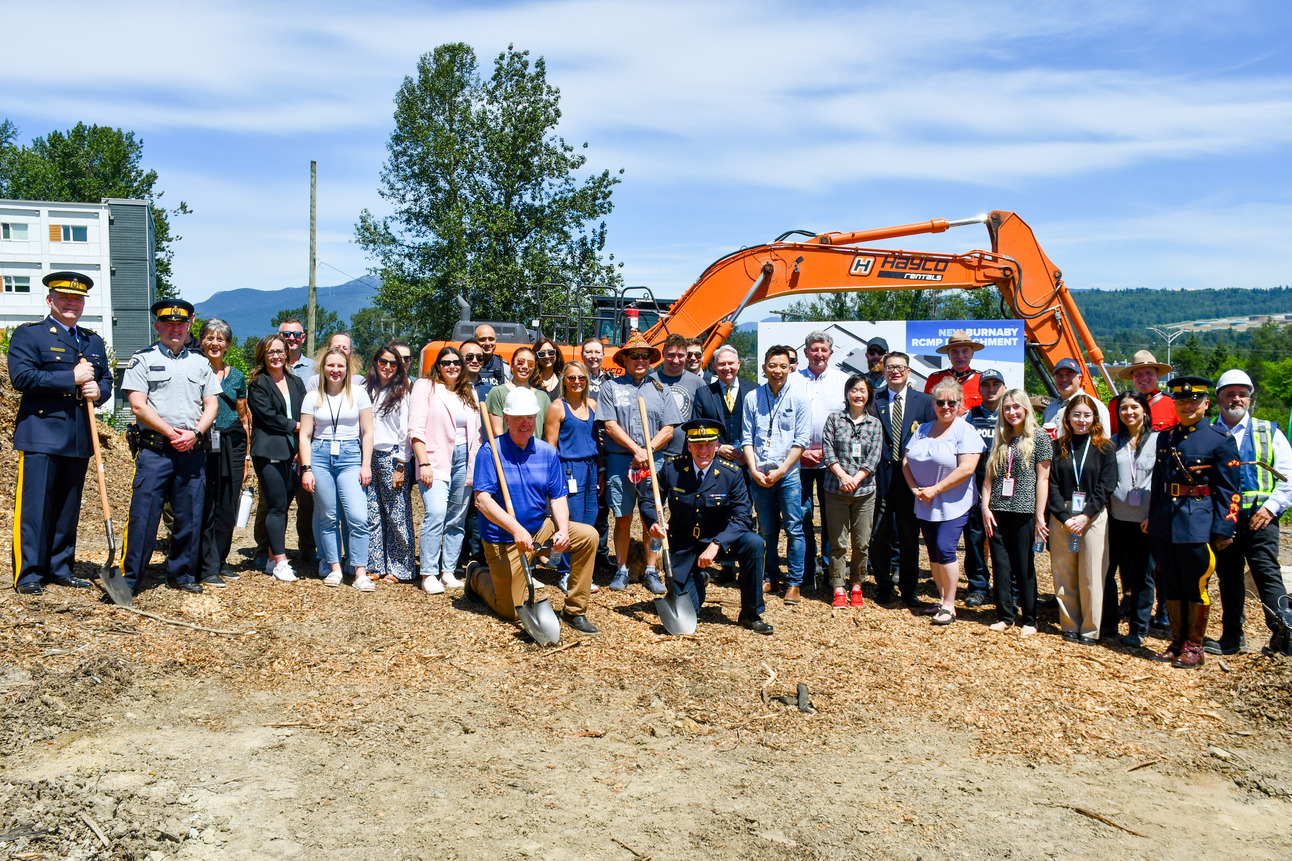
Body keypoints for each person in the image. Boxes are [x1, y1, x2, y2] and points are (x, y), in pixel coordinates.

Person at [9, 271, 113, 595]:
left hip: (80, 436)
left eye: (77, 299)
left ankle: (60, 567)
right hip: (42, 432)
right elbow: (22, 378)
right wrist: (72, 377)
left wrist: (100, 390)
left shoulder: (92, 341)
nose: (72, 303)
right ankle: (29, 573)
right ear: (49, 300)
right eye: (65, 297)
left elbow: (107, 380)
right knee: (35, 507)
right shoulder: (31, 336)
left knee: (68, 507)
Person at [468, 387, 599, 636]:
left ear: (536, 418)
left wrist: (561, 530)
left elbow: (558, 496)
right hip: (503, 538)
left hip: (539, 529)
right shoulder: (490, 451)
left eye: (530, 417)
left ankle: (574, 610)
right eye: (518, 418)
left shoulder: (546, 452)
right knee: (509, 611)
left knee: (588, 536)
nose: (525, 423)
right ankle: (477, 575)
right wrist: (515, 529)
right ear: (507, 419)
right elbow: (482, 500)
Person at [120, 300, 221, 595]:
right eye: (168, 324)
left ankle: (182, 574)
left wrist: (196, 433)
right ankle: (130, 579)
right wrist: (170, 432)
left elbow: (211, 403)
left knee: (190, 515)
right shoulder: (142, 360)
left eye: (180, 324)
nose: (174, 329)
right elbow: (138, 405)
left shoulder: (200, 363)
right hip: (155, 450)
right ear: (158, 327)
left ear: (188, 327)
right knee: (143, 515)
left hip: (191, 450)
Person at [640, 419, 772, 634]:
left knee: (754, 543)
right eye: (698, 445)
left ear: (717, 445)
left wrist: (717, 544)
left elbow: (743, 517)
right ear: (689, 446)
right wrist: (653, 523)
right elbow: (648, 500)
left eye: (708, 444)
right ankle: (699, 578)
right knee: (690, 611)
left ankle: (751, 614)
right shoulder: (673, 469)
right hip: (685, 546)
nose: (703, 450)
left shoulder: (731, 473)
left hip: (720, 541)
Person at [1146, 377, 1241, 668]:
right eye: (1182, 401)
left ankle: (1195, 646)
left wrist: (1225, 527)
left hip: (1199, 523)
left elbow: (1230, 490)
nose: (1187, 405)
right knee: (1171, 582)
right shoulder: (1167, 437)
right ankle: (1177, 642)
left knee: (1195, 584)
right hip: (1166, 521)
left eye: (1194, 401)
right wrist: (1153, 518)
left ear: (1206, 404)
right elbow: (1159, 482)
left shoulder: (1220, 440)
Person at [1205, 370, 1292, 656]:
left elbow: (1289, 476)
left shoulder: (1269, 432)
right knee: (1228, 577)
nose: (1237, 398)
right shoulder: (1208, 433)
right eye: (1230, 394)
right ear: (1219, 399)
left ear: (1249, 398)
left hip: (1260, 519)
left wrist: (1270, 507)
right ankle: (1232, 637)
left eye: (1242, 393)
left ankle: (1283, 633)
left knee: (1266, 573)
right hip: (1223, 521)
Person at [602, 332, 682, 594]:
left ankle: (651, 570)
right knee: (623, 518)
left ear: (650, 359)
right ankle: (622, 569)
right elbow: (610, 426)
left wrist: (646, 452)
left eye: (644, 355)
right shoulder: (611, 388)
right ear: (624, 359)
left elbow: (668, 429)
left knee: (653, 519)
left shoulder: (662, 389)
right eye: (633, 355)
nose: (639, 359)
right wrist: (636, 449)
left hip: (653, 462)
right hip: (620, 461)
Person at [903, 380, 985, 624]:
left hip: (953, 502)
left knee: (945, 548)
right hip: (924, 502)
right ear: (934, 404)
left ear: (960, 404)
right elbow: (906, 461)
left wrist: (935, 489)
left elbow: (967, 468)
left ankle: (950, 605)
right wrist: (915, 489)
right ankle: (941, 598)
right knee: (934, 552)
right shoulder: (922, 429)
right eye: (941, 402)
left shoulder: (965, 430)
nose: (946, 407)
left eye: (952, 402)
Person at [299, 346, 375, 590]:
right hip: (320, 455)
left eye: (340, 366)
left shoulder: (359, 394)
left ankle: (360, 570)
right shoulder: (312, 396)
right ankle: (334, 567)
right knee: (328, 516)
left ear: (348, 368)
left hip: (351, 455)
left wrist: (366, 465)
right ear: (322, 368)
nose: (335, 370)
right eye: (330, 365)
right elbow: (305, 435)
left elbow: (368, 432)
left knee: (357, 516)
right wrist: (307, 468)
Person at [742, 344, 811, 604]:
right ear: (764, 368)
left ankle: (794, 582)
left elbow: (802, 440)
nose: (777, 371)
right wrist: (753, 469)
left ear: (790, 367)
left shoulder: (800, 398)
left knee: (794, 529)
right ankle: (771, 576)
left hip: (788, 475)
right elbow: (747, 438)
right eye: (772, 365)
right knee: (766, 530)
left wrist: (782, 470)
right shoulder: (753, 398)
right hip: (760, 475)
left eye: (783, 365)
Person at [1046, 393, 1118, 645]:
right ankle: (1069, 625)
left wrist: (1085, 516)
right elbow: (1051, 484)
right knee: (1064, 574)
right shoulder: (1057, 448)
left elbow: (1106, 485)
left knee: (1091, 575)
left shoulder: (1105, 448)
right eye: (1076, 414)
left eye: (1087, 415)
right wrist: (1065, 517)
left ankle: (1090, 629)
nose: (1081, 420)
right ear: (1067, 418)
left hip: (1093, 516)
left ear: (1095, 419)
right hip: (1063, 516)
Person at [410, 346, 482, 594]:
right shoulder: (425, 387)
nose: (452, 366)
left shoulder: (469, 392)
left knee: (457, 518)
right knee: (437, 512)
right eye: (446, 362)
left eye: (457, 362)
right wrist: (424, 463)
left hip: (465, 459)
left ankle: (448, 570)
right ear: (438, 366)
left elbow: (477, 434)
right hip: (435, 459)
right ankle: (428, 572)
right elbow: (416, 429)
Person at [981, 389, 1052, 636]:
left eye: (1016, 407)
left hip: (1024, 510)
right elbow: (989, 476)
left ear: (1026, 409)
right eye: (1007, 408)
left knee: (1024, 566)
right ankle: (1005, 616)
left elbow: (1043, 479)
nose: (1012, 412)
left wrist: (1040, 515)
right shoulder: (1001, 437)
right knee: (1001, 566)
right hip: (998, 510)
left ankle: (1030, 619)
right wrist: (985, 506)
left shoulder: (1040, 438)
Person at [252, 318, 317, 571]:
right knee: (277, 506)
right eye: (271, 352)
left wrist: (302, 444)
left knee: (287, 503)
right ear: (263, 355)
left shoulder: (296, 382)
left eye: (280, 351)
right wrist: (298, 427)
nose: (277, 355)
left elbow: (304, 411)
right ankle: (280, 562)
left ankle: (271, 557)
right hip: (269, 451)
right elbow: (267, 416)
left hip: (294, 451)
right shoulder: (259, 382)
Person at [871, 351, 935, 606]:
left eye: (900, 367)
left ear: (909, 371)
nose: (895, 371)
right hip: (880, 478)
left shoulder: (925, 402)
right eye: (890, 368)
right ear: (884, 372)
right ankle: (883, 585)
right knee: (879, 535)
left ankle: (909, 588)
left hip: (912, 480)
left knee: (910, 536)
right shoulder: (873, 400)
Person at [196, 318, 251, 588]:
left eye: (221, 339)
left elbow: (243, 417)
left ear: (228, 345)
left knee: (228, 504)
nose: (215, 343)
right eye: (210, 337)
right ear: (201, 341)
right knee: (207, 503)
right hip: (203, 441)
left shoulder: (237, 376)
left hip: (232, 442)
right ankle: (205, 564)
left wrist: (246, 457)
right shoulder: (194, 370)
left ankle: (219, 559)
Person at [821, 374, 882, 608]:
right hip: (835, 489)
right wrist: (843, 477)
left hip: (865, 491)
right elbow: (828, 451)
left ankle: (857, 584)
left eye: (863, 390)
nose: (858, 394)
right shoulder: (835, 419)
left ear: (869, 395)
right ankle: (837, 586)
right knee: (837, 541)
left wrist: (855, 479)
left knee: (861, 541)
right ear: (847, 393)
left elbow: (874, 456)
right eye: (854, 390)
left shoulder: (874, 424)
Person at [1104, 390, 1157, 646]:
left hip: (1145, 522)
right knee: (1108, 572)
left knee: (1142, 577)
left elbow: (1163, 482)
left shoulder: (1158, 441)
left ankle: (1138, 628)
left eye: (1134, 407)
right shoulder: (1113, 443)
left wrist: (1154, 514)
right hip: (1116, 518)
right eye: (1123, 408)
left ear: (1144, 410)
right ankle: (1109, 623)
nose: (1129, 412)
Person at [796, 331, 848, 588]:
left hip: (833, 463)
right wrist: (801, 450)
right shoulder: (793, 380)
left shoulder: (842, 381)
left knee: (832, 518)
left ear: (830, 352)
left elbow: (849, 423)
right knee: (802, 516)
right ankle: (805, 572)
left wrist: (830, 454)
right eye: (814, 349)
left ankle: (831, 572)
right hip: (799, 460)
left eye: (823, 350)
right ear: (805, 352)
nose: (818, 354)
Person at [544, 360, 600, 593]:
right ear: (564, 381)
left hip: (592, 467)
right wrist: (555, 481)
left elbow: (597, 442)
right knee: (571, 521)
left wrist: (601, 472)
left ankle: (582, 572)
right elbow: (550, 447)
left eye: (581, 378)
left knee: (590, 519)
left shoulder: (593, 405)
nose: (577, 382)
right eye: (572, 378)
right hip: (569, 469)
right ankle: (565, 572)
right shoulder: (558, 407)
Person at [364, 343, 416, 584]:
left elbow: (407, 431)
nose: (387, 367)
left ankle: (400, 567)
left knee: (397, 513)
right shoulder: (366, 389)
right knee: (371, 513)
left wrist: (401, 465)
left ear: (399, 367)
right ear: (375, 363)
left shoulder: (403, 392)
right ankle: (375, 564)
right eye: (383, 362)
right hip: (367, 456)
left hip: (392, 456)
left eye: (392, 363)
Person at [962, 369, 1006, 607]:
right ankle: (978, 585)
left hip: (1006, 488)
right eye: (986, 385)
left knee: (1004, 540)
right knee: (975, 538)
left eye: (996, 384)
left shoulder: (1011, 414)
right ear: (979, 390)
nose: (991, 389)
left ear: (1004, 388)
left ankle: (1005, 588)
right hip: (976, 487)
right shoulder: (970, 416)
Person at [694, 344, 756, 473]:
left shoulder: (754, 390)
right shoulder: (703, 393)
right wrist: (718, 447)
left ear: (738, 364)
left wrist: (749, 450)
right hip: (716, 463)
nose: (727, 368)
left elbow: (761, 425)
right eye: (722, 364)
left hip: (749, 465)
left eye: (731, 363)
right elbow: (697, 428)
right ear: (715, 367)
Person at [651, 333, 705, 460]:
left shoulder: (698, 383)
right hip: (656, 453)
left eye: (680, 355)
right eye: (671, 355)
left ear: (686, 355)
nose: (675, 360)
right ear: (663, 353)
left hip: (686, 453)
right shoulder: (650, 381)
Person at [484, 347, 552, 438]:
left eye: (530, 363)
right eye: (520, 362)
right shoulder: (498, 393)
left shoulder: (542, 397)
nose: (525, 366)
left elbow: (548, 433)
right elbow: (497, 432)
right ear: (512, 364)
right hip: (507, 451)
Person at [1108, 350, 1177, 433]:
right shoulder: (1116, 404)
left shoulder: (1173, 403)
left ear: (1157, 376)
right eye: (1138, 374)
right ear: (1132, 376)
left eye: (1149, 373)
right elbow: (1111, 438)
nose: (1144, 377)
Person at [1041, 358, 1110, 439]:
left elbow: (1105, 442)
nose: (1064, 379)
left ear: (1079, 378)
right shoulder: (1050, 409)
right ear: (1055, 378)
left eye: (1069, 374)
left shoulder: (1096, 406)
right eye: (1059, 375)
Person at [924, 330, 984, 411]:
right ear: (948, 355)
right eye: (955, 352)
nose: (960, 356)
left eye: (965, 352)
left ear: (972, 354)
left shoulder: (982, 379)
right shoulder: (935, 379)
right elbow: (927, 409)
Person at [459, 338, 494, 404]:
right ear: (459, 359)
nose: (475, 361)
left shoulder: (491, 390)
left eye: (479, 357)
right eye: (469, 357)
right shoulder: (452, 389)